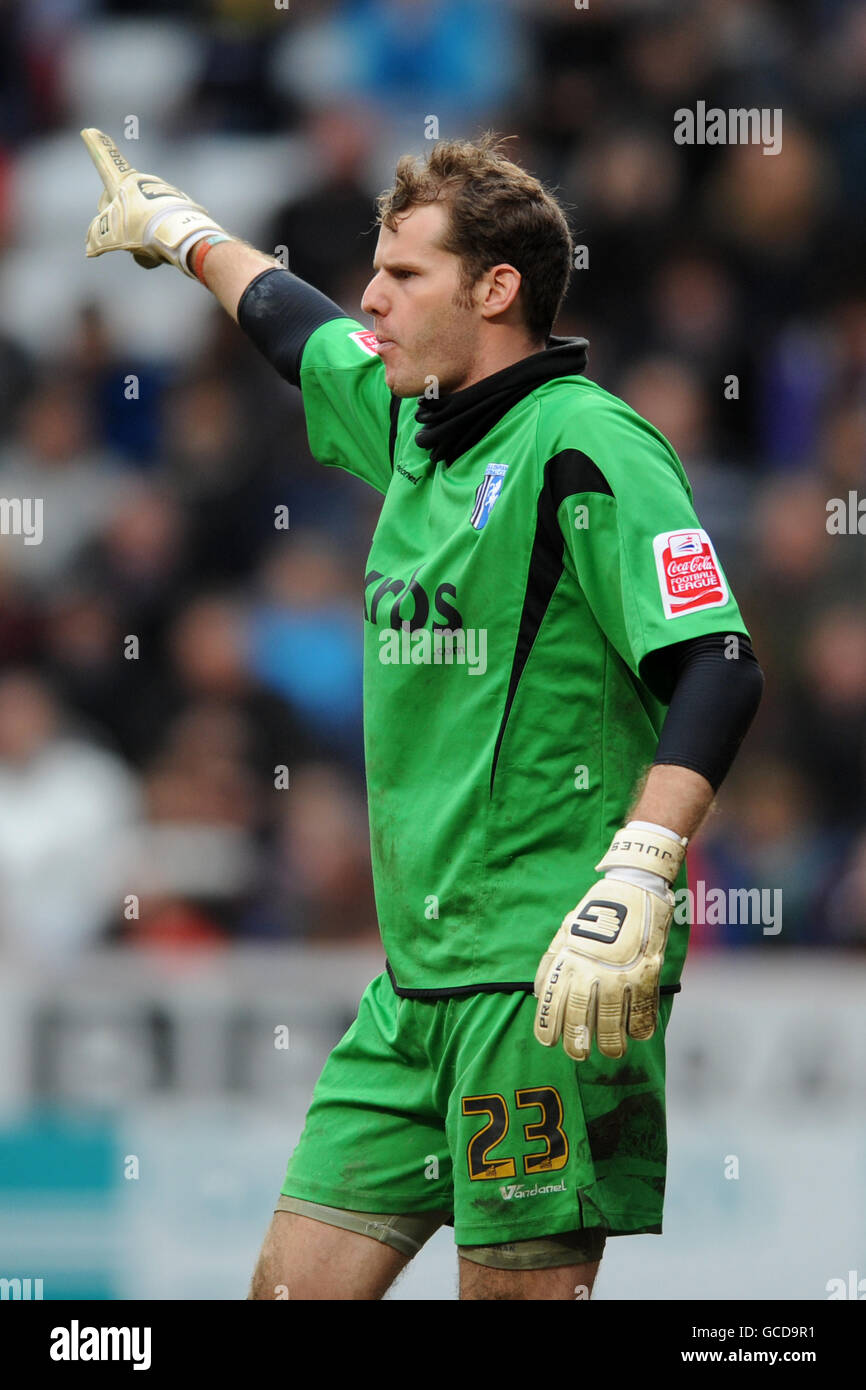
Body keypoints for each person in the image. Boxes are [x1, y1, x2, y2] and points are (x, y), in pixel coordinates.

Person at [80, 127, 764, 1301]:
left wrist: (641, 867)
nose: (372, 298)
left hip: (543, 974)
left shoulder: (585, 444)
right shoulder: (417, 420)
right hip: (412, 988)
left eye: (403, 276)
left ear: (496, 290)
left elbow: (719, 663)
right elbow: (296, 327)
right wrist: (184, 232)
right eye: (375, 269)